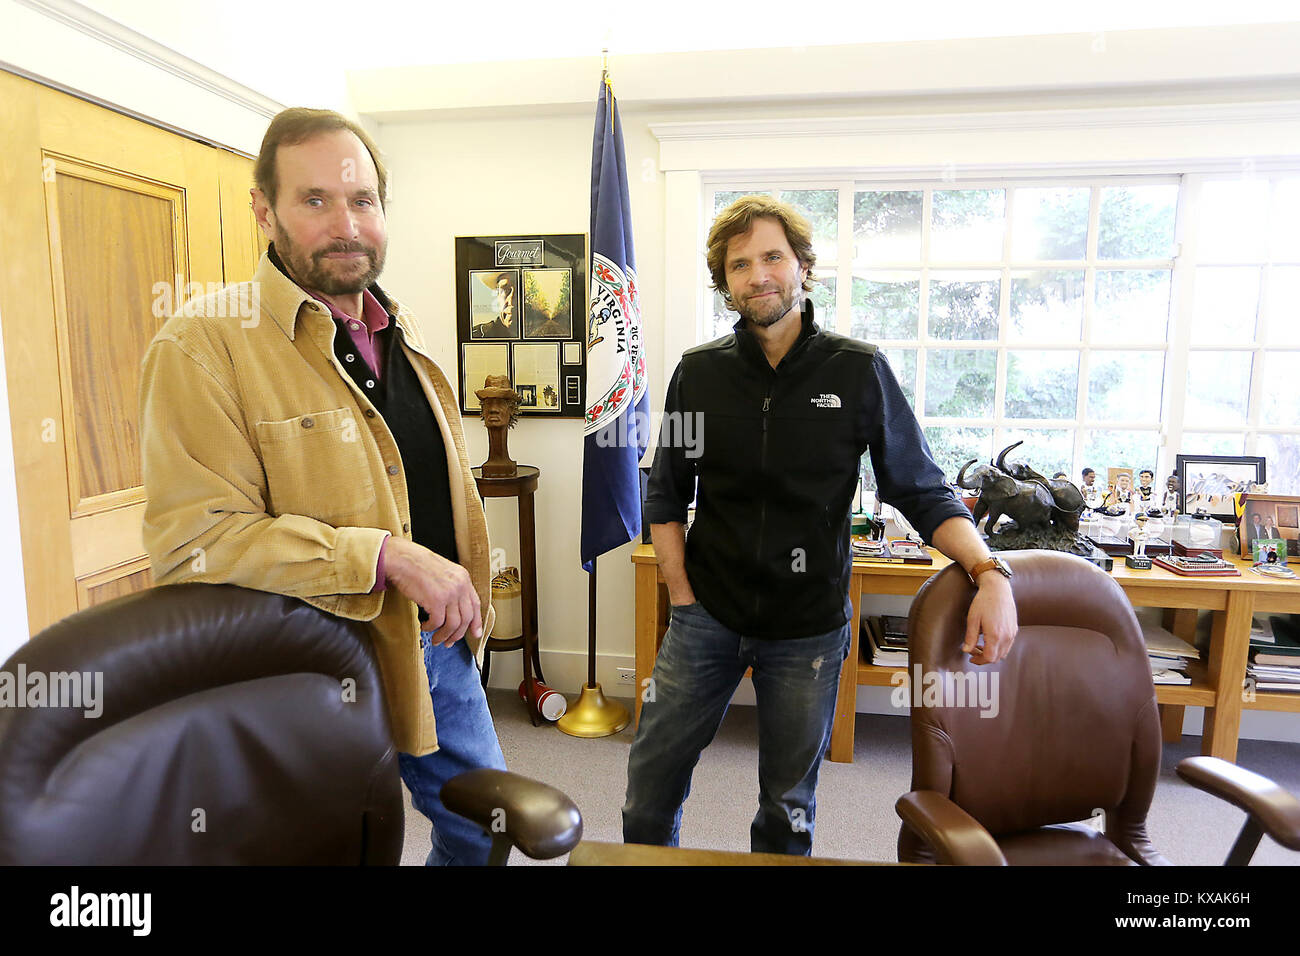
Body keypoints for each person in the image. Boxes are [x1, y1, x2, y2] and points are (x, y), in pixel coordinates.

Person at [139, 108, 505, 866]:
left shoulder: (404, 333)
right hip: (305, 671)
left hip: (434, 646)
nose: (347, 225)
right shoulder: (202, 344)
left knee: (482, 831)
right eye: (315, 201)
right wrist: (385, 556)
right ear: (264, 211)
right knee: (329, 851)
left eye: (362, 200)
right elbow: (193, 542)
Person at [624, 195, 1018, 855]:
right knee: (649, 784)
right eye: (740, 264)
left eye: (772, 256)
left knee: (787, 807)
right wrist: (681, 596)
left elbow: (920, 489)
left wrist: (989, 571)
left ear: (803, 266)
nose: (759, 275)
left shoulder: (858, 369)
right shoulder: (698, 373)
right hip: (706, 618)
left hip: (807, 628)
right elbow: (665, 492)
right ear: (726, 282)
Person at [474, 273, 518, 338]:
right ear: (497, 296)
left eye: (519, 290)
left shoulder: (536, 332)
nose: (511, 301)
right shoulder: (477, 335)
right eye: (505, 290)